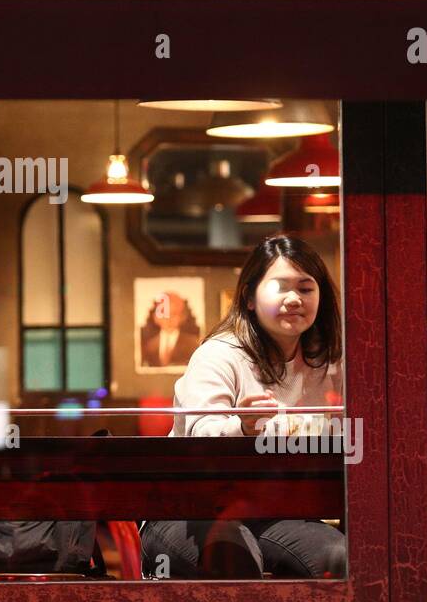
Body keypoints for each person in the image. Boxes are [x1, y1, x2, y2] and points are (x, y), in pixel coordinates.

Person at [141, 234, 346, 579]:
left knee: (341, 556)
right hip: (190, 509)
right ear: (250, 297)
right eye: (280, 287)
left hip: (278, 512)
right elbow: (199, 432)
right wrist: (243, 427)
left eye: (306, 288)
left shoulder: (331, 364)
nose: (294, 298)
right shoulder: (219, 354)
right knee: (233, 557)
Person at [139, 292, 201, 368]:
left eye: (174, 314)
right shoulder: (148, 346)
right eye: (163, 313)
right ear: (155, 317)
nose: (168, 319)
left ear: (182, 317)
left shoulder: (193, 344)